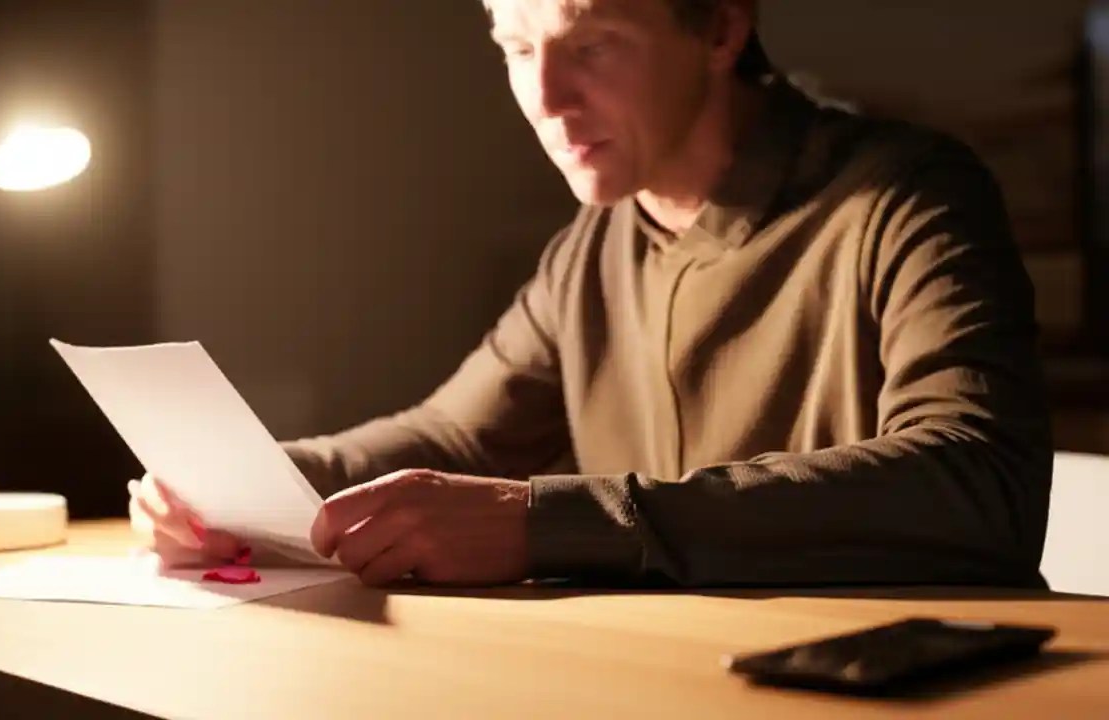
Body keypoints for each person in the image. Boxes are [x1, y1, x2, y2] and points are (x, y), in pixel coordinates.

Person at [130, 0, 1052, 588]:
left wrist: (542, 524)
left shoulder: (905, 195)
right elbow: (455, 438)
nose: (546, 96)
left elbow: (976, 484)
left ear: (723, 29)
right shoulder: (595, 247)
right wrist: (246, 485)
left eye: (595, 44)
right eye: (516, 46)